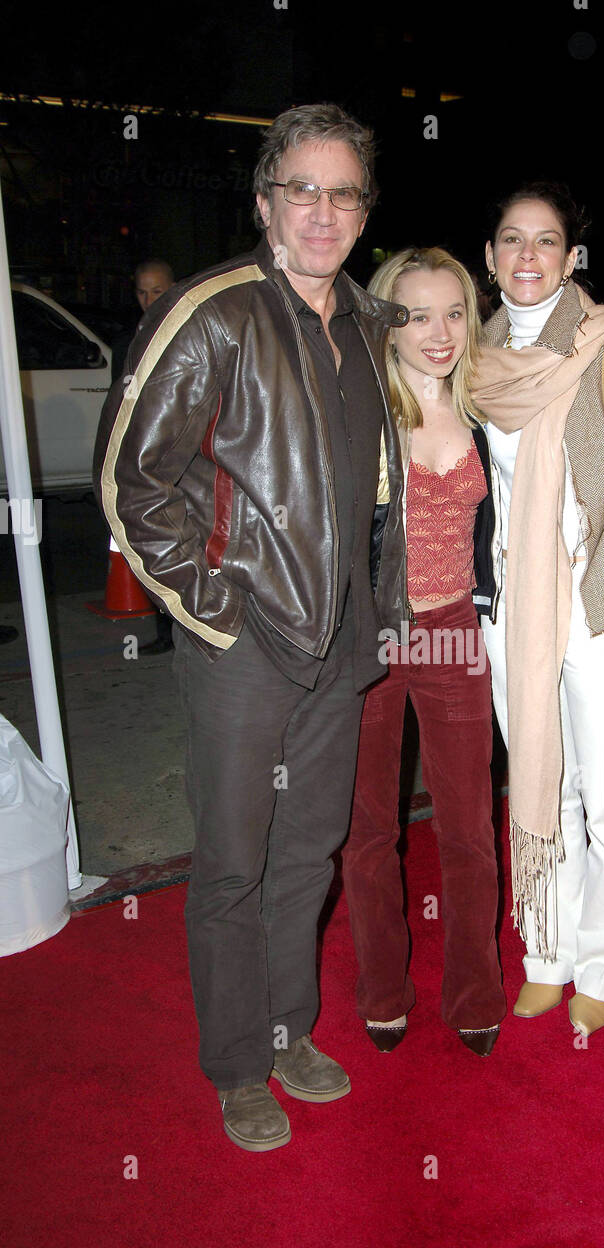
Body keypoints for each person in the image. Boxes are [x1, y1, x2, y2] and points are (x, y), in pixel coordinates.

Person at [93, 104, 410, 1152]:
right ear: (265, 198)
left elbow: (377, 487)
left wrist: (381, 603)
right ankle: (236, 1064)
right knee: (233, 862)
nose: (322, 212)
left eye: (344, 192)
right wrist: (217, 608)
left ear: (365, 208)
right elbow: (132, 480)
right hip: (244, 646)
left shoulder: (366, 324)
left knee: (307, 853)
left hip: (338, 643)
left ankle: (285, 1030)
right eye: (302, 189)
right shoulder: (214, 312)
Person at [472, 183, 604, 1038]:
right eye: (510, 240)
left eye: (545, 242)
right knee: (541, 786)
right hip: (512, 615)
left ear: (570, 259)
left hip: (601, 612)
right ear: (489, 259)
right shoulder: (476, 355)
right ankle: (549, 953)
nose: (527, 256)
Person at [341, 248, 506, 1058]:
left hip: (452, 633)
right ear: (385, 320)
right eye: (414, 315)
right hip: (373, 633)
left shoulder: (488, 405)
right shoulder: (362, 408)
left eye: (452, 313)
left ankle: (475, 991)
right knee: (369, 828)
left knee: (469, 825)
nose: (436, 333)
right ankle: (382, 990)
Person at [111, 259, 177, 655]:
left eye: (157, 291)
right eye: (141, 291)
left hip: (181, 459)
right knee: (149, 543)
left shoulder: (191, 331)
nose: (149, 299)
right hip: (142, 459)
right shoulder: (126, 342)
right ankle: (164, 630)